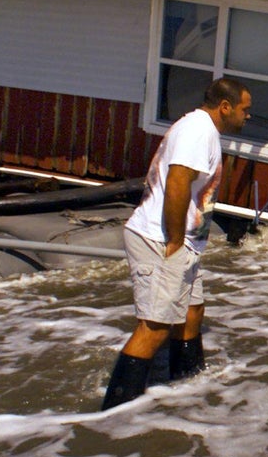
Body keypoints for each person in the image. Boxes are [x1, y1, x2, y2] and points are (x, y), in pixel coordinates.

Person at [101, 77, 252, 410]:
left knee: (192, 312)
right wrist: (175, 239)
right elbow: (178, 181)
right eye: (245, 109)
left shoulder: (203, 130)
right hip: (161, 239)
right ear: (225, 107)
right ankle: (112, 415)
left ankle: (185, 390)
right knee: (154, 328)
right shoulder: (198, 131)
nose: (248, 116)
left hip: (182, 243)